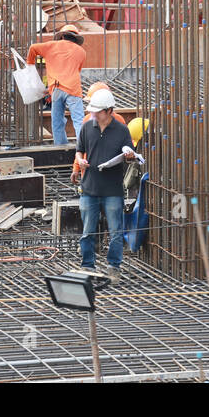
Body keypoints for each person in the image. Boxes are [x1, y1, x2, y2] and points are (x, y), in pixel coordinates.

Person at [73, 88, 134, 282]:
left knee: (116, 231)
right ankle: (87, 265)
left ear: (109, 111)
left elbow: (130, 155)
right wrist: (79, 162)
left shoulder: (122, 130)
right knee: (88, 231)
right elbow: (78, 150)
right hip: (89, 188)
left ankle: (113, 267)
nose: (93, 114)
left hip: (112, 190)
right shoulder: (86, 127)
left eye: (97, 111)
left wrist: (130, 156)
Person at [26, 24, 87, 144]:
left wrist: (30, 65)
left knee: (57, 123)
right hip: (74, 89)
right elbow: (76, 71)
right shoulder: (81, 52)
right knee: (79, 121)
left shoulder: (51, 46)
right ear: (76, 38)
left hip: (56, 89)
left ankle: (60, 147)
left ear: (62, 36)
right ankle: (83, 148)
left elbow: (33, 48)